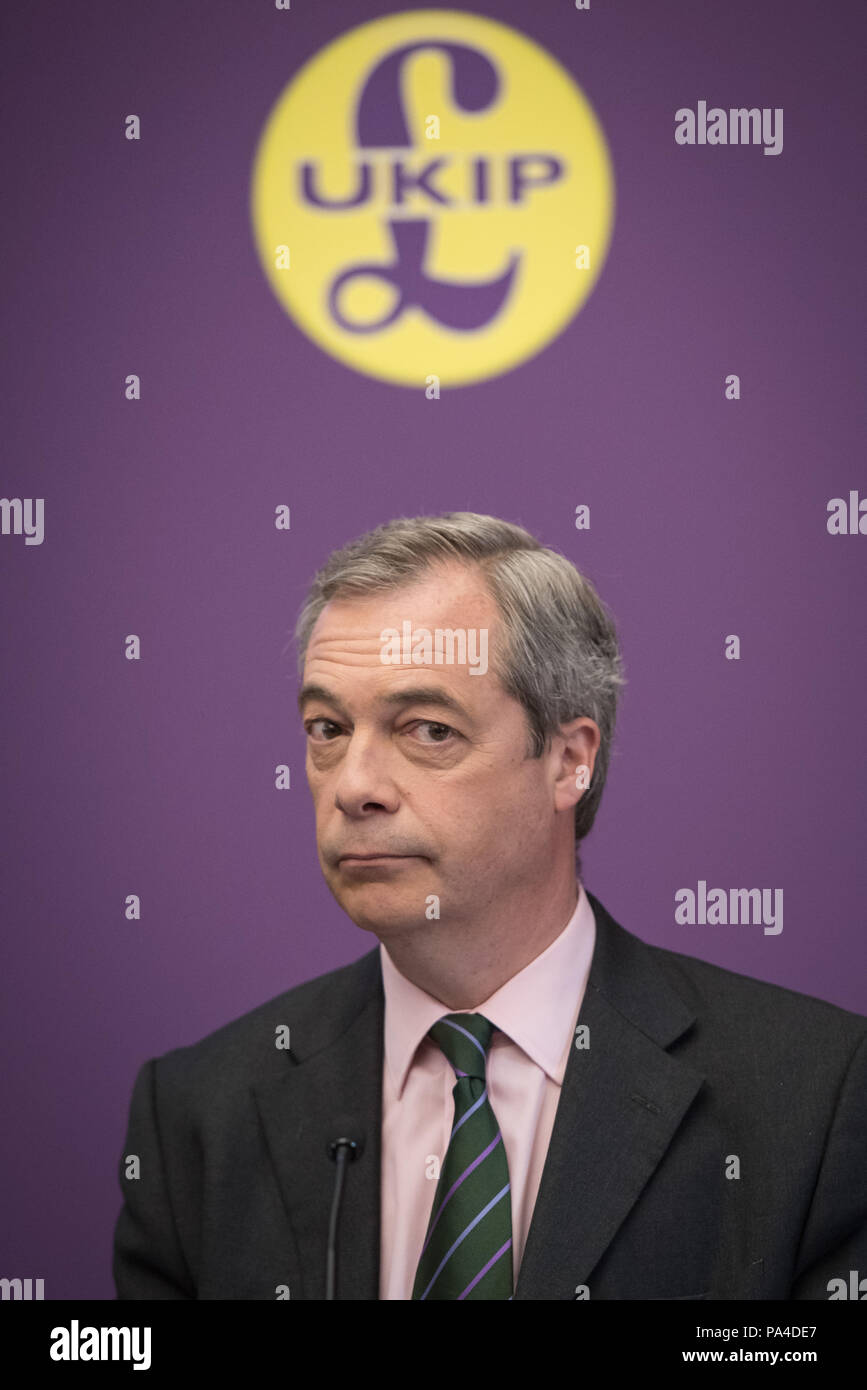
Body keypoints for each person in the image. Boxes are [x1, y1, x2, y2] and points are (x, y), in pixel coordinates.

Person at [113, 512, 867, 1300]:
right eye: (327, 728)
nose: (353, 786)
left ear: (567, 762)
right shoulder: (197, 1116)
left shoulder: (810, 1100)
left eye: (427, 730)